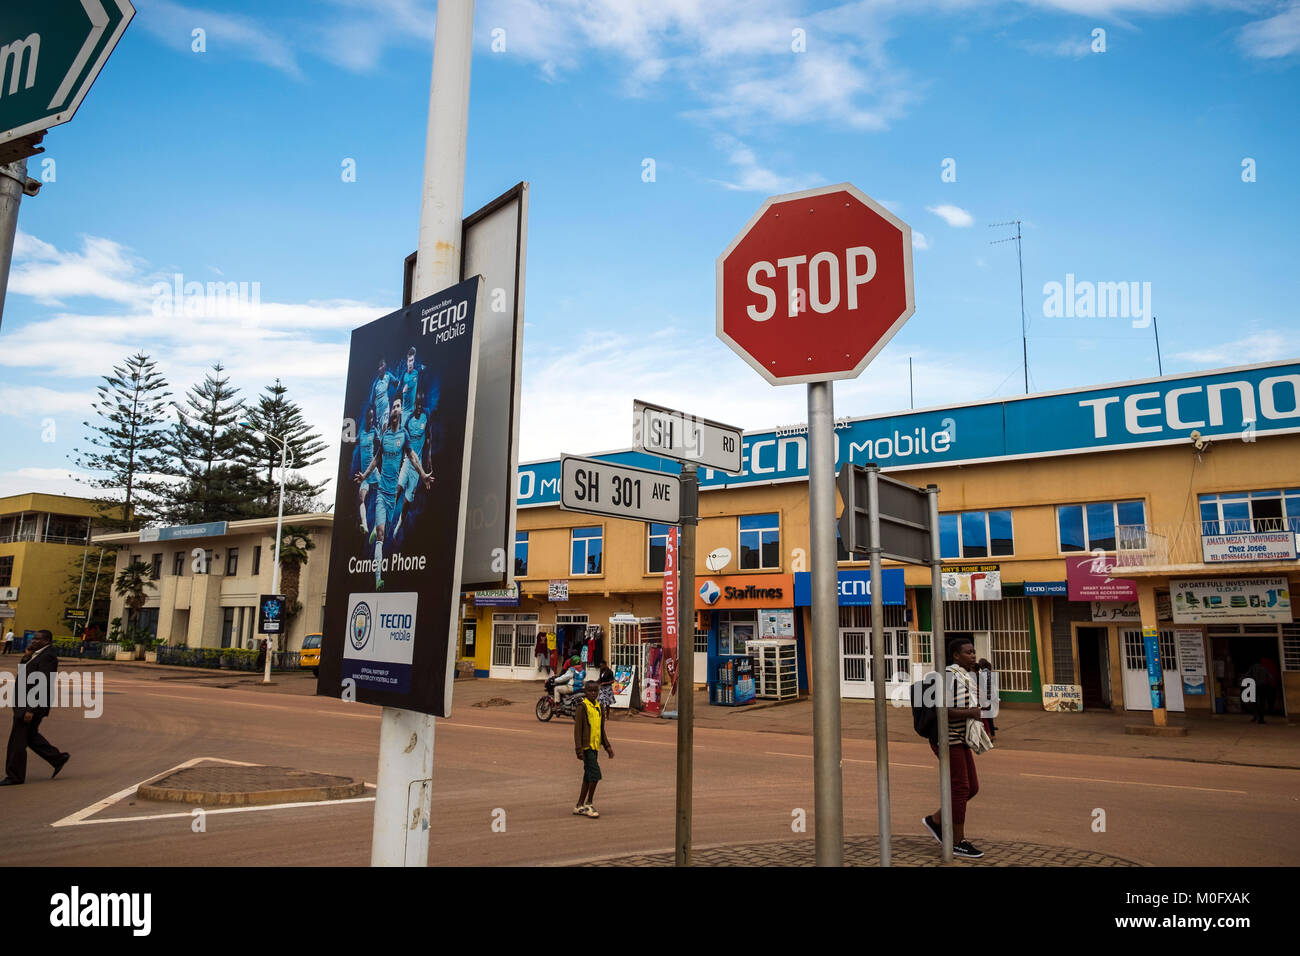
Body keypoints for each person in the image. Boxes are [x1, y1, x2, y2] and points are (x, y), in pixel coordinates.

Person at [353, 397, 432, 590]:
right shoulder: (386, 437)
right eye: (393, 416)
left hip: (391, 498)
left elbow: (412, 457)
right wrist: (364, 475)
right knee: (381, 535)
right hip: (382, 493)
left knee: (385, 531)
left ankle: (377, 530)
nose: (394, 418)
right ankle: (378, 577)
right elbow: (375, 460)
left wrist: (423, 475)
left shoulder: (403, 436)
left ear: (399, 418)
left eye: (396, 415)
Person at [921, 637, 987, 859]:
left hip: (961, 738)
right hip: (947, 739)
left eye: (973, 651)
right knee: (960, 788)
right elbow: (944, 709)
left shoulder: (966, 676)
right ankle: (958, 841)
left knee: (972, 788)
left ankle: (936, 820)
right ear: (956, 656)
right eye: (968, 652)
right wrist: (971, 712)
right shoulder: (949, 677)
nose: (973, 655)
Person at [2, 630, 70, 786]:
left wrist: (31, 709)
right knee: (30, 737)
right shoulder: (36, 654)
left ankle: (15, 776)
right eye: (33, 638)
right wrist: (26, 657)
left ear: (46, 641)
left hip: (31, 705)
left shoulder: (48, 656)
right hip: (25, 703)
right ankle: (57, 758)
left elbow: (43, 683)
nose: (33, 641)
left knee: (17, 742)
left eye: (37, 639)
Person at [572, 680, 614, 818]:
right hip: (586, 747)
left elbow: (601, 729)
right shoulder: (582, 707)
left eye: (595, 691)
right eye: (590, 691)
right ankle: (589, 804)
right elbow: (577, 731)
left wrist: (607, 746)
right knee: (595, 775)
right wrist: (579, 749)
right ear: (585, 692)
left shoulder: (599, 707)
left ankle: (579, 805)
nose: (593, 693)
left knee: (588, 776)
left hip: (595, 747)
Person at [1242, 658, 1273, 724]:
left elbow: (1246, 676)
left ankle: (1255, 716)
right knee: (1262, 703)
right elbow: (1270, 678)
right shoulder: (1264, 668)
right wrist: (1268, 684)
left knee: (1254, 702)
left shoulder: (1252, 668)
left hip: (1254, 687)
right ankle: (1261, 719)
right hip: (1263, 687)